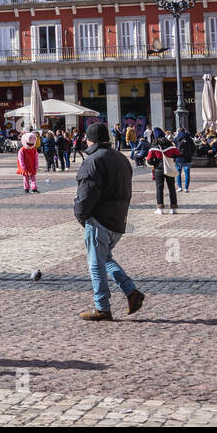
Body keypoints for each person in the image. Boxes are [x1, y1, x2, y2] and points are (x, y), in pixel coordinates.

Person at [73, 123, 143, 321]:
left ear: (90, 139)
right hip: (118, 220)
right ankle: (131, 292)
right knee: (104, 258)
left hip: (99, 219)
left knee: (96, 263)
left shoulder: (93, 161)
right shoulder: (122, 158)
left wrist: (81, 215)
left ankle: (102, 307)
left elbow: (86, 194)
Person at [146, 132, 179, 214]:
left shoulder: (154, 147)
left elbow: (149, 160)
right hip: (169, 168)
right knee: (171, 188)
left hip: (159, 169)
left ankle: (160, 208)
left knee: (159, 188)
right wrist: (172, 158)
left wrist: (156, 163)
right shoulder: (171, 146)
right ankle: (173, 208)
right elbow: (178, 154)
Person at [173, 128, 194, 193]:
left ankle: (179, 187)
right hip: (187, 158)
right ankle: (186, 188)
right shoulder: (190, 139)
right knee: (187, 173)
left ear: (178, 132)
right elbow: (193, 148)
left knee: (178, 173)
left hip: (178, 158)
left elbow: (173, 148)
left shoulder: (176, 139)